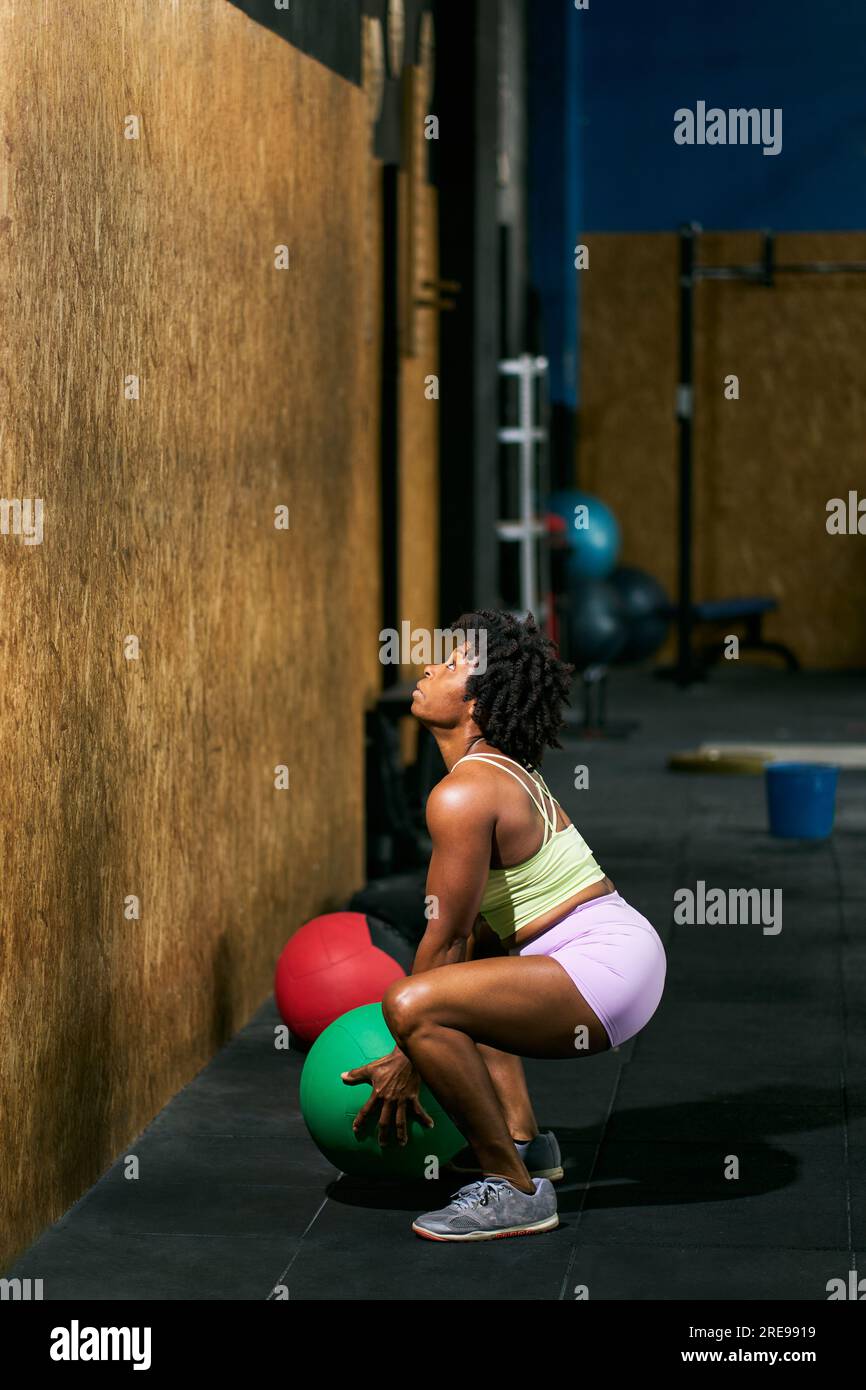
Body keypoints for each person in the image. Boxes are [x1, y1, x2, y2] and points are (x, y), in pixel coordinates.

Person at [341, 610, 666, 1241]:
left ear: (479, 702)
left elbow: (446, 936)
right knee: (467, 984)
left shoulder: (464, 793)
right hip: (620, 954)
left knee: (412, 1001)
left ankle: (515, 1189)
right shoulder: (501, 770)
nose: (430, 667)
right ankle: (523, 1141)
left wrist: (408, 1045)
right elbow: (481, 940)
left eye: (453, 664)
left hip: (605, 969)